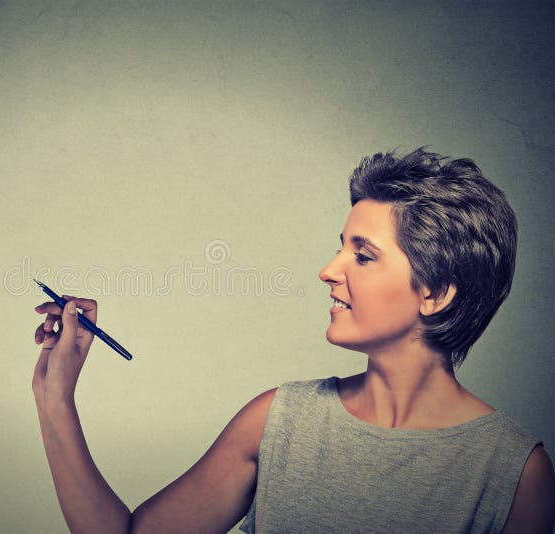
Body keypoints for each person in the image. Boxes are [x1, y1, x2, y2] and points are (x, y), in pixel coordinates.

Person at [32, 148, 554, 533]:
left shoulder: (514, 473)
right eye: (340, 248)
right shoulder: (276, 421)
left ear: (435, 292)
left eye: (362, 255)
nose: (329, 270)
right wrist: (55, 397)